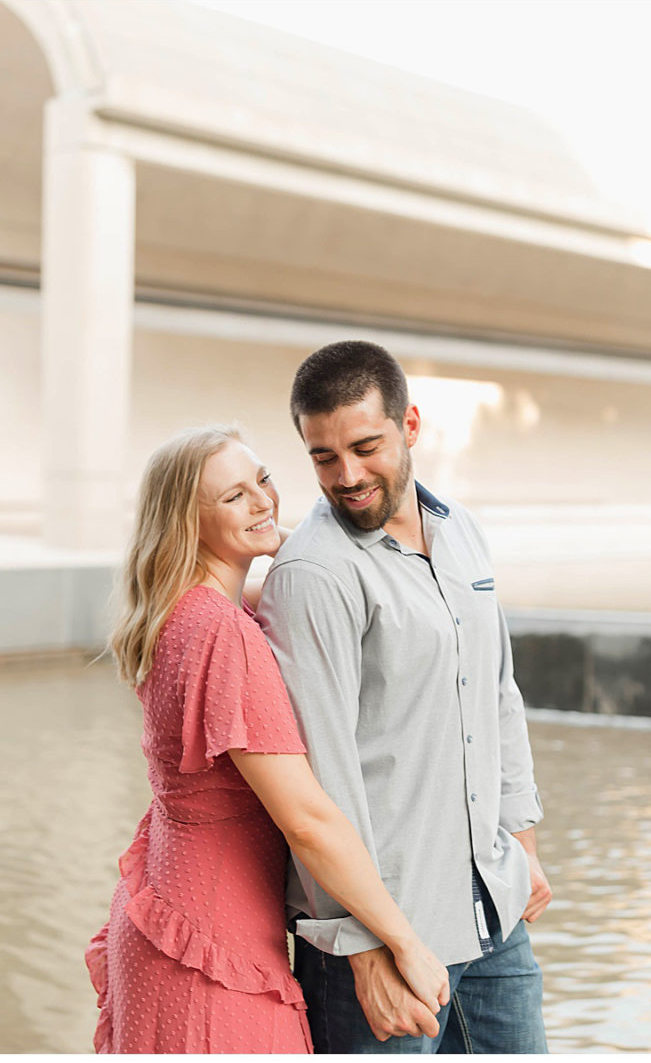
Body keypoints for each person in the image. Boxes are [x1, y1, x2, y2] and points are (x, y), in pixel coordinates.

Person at [85, 424, 450, 1054]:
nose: (262, 501)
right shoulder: (222, 636)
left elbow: (286, 576)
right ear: (185, 522)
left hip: (172, 914)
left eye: (263, 480)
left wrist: (279, 540)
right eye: (233, 498)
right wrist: (404, 941)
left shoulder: (182, 609)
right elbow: (306, 818)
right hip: (210, 947)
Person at [257, 340, 552, 1053]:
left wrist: (523, 842)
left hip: (493, 918)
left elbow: (497, 694)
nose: (348, 476)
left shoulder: (460, 531)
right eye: (324, 457)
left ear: (410, 425)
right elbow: (321, 789)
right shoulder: (314, 575)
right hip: (386, 941)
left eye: (365, 446)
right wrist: (363, 948)